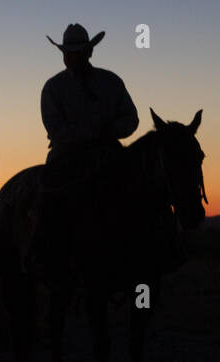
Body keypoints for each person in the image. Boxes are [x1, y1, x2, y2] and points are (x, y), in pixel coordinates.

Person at [32, 23, 139, 284]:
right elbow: (55, 127)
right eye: (69, 53)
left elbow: (131, 119)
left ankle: (160, 249)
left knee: (144, 188)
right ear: (63, 55)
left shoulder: (112, 82)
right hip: (66, 156)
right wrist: (90, 134)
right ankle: (41, 257)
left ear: (89, 53)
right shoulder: (53, 88)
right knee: (49, 198)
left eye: (79, 52)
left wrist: (111, 131)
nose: (73, 57)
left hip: (108, 152)